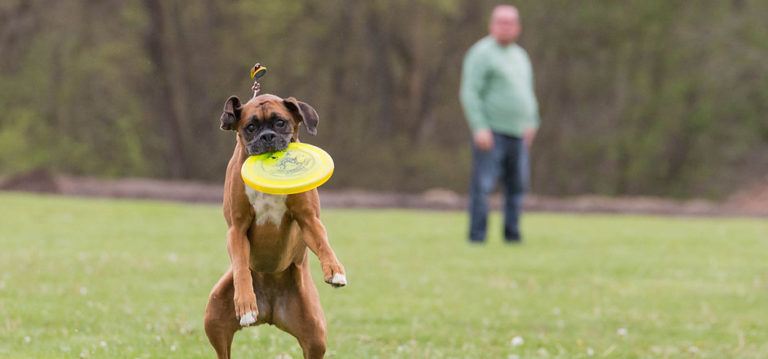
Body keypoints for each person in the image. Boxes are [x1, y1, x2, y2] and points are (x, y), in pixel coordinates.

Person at [460, 5, 540, 244]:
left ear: (518, 27)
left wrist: (532, 121)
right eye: (501, 22)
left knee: (517, 188)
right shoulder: (482, 53)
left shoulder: (521, 56)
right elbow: (470, 92)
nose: (505, 27)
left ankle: (512, 236)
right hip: (492, 131)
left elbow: (528, 93)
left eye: (510, 23)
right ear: (491, 25)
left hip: (518, 133)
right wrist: (479, 126)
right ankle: (477, 237)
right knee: (483, 187)